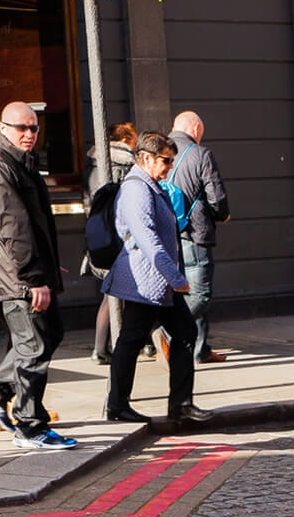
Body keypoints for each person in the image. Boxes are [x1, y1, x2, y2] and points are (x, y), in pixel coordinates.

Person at [0, 102, 76, 451]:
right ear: (3, 128)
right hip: (19, 279)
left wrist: (45, 266)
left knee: (49, 335)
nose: (29, 134)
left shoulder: (20, 162)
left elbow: (32, 224)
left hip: (30, 272)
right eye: (21, 128)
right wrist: (33, 277)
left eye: (34, 128)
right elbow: (12, 228)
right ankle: (30, 427)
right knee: (33, 348)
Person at [100, 131, 213, 424]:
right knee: (131, 341)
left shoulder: (152, 185)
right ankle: (117, 405)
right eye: (166, 160)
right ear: (147, 158)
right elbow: (147, 238)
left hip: (159, 283)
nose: (169, 166)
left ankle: (180, 405)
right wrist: (176, 277)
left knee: (185, 334)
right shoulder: (136, 189)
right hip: (145, 282)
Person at [167, 111, 231, 364]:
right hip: (194, 232)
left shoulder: (159, 149)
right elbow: (216, 194)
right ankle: (162, 328)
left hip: (167, 233)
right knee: (200, 293)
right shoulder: (200, 153)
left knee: (183, 290)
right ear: (194, 129)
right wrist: (221, 215)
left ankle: (200, 348)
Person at [84, 122, 141, 366]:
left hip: (99, 237)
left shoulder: (95, 166)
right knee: (115, 295)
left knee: (111, 294)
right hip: (119, 238)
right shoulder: (126, 165)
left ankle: (102, 347)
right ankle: (104, 348)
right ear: (127, 139)